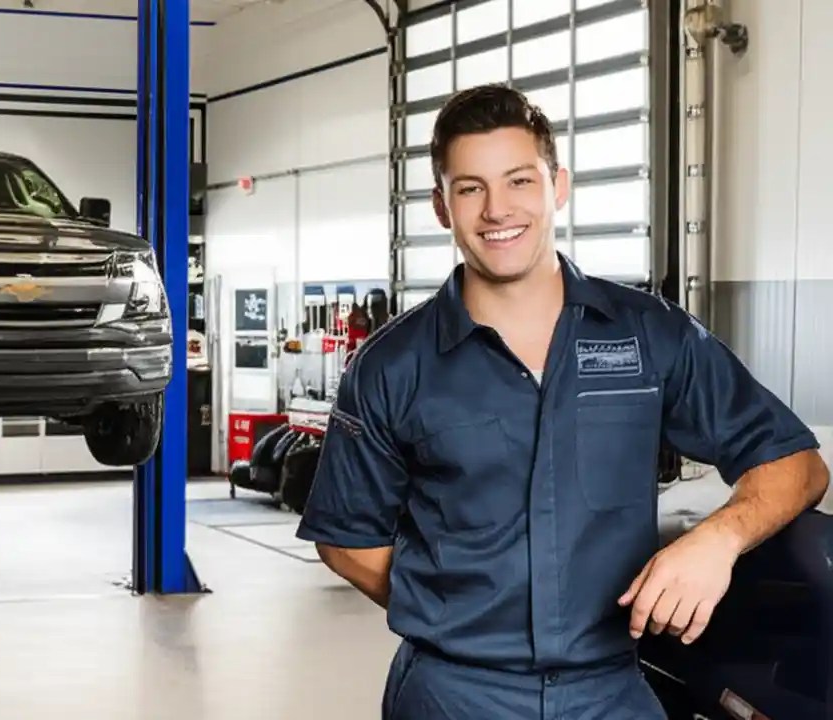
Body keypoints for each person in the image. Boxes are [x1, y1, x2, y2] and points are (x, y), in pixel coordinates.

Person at [295, 84, 830, 719]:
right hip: (454, 694)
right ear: (442, 206)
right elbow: (349, 542)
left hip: (611, 690)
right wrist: (458, 615)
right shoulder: (392, 365)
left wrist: (718, 540)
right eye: (470, 188)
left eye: (520, 180)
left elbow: (797, 466)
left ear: (559, 186)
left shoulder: (649, 334)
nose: (497, 209)